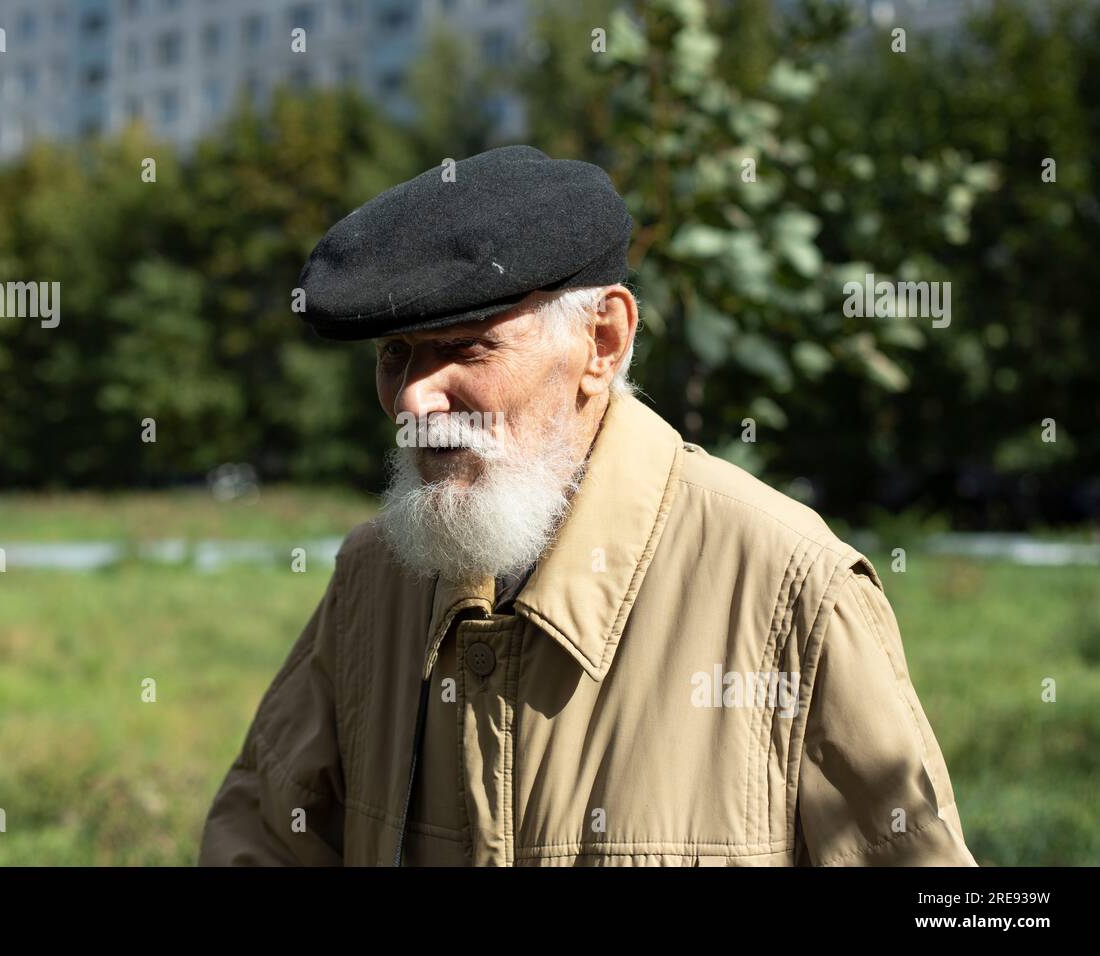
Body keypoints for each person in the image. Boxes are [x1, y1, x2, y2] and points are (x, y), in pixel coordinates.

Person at [198, 145, 977, 866]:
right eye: (394, 354)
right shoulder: (374, 579)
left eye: (464, 348)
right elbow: (262, 839)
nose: (412, 398)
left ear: (602, 341)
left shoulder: (791, 592)